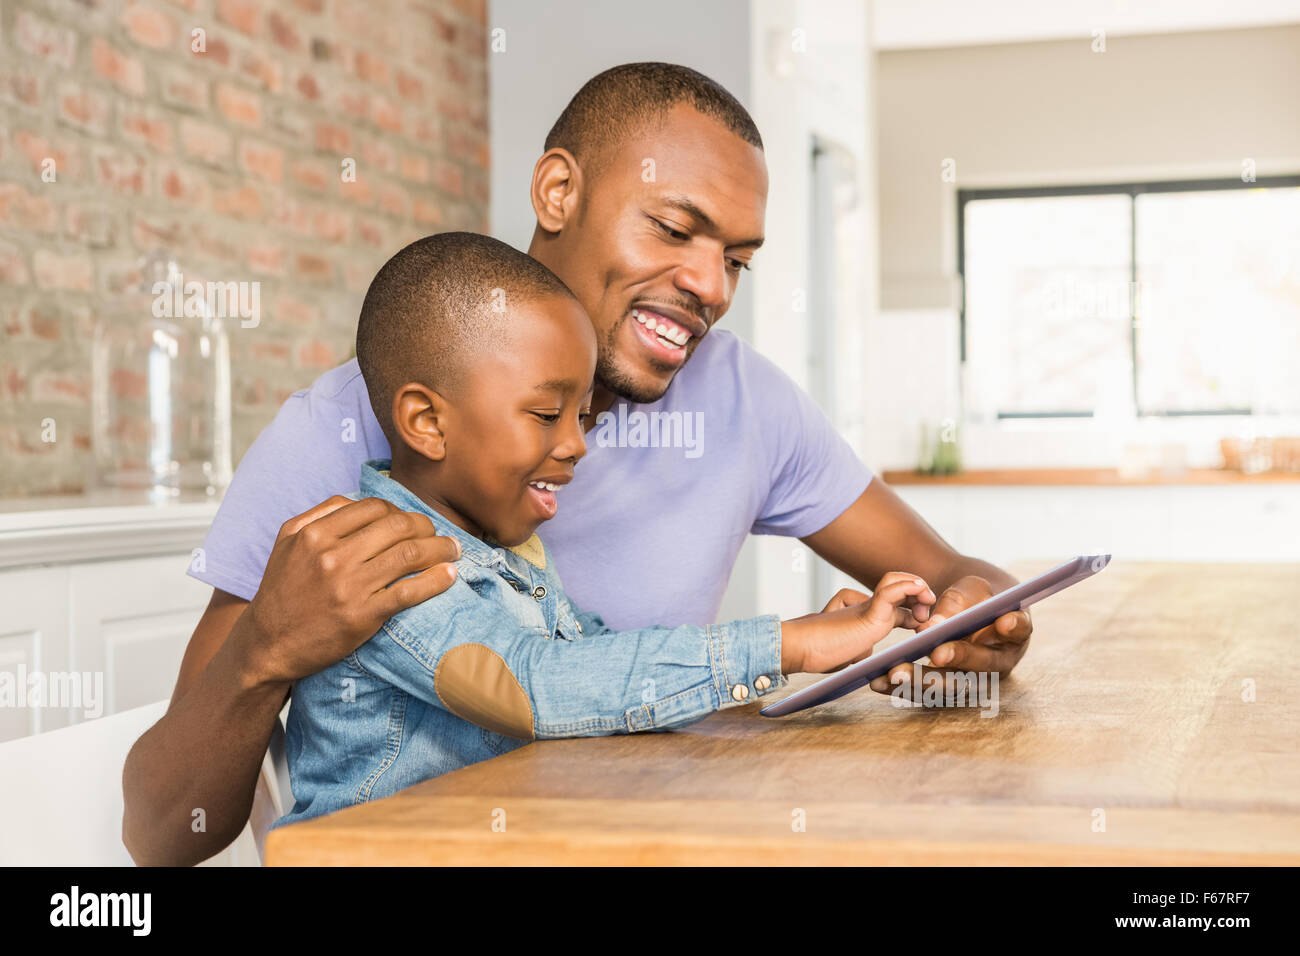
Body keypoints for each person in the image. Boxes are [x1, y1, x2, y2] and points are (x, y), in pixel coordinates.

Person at [123, 63, 1032, 866]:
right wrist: (263, 654)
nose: (712, 287)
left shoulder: (744, 400)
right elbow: (165, 834)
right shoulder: (338, 432)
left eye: (737, 261)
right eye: (676, 229)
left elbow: (953, 578)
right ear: (557, 191)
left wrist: (973, 624)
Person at [279, 231, 938, 825]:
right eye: (545, 414)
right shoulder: (384, 563)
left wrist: (808, 651)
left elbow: (591, 659)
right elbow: (528, 687)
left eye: (583, 417)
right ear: (427, 421)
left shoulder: (504, 553)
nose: (576, 445)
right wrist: (782, 647)